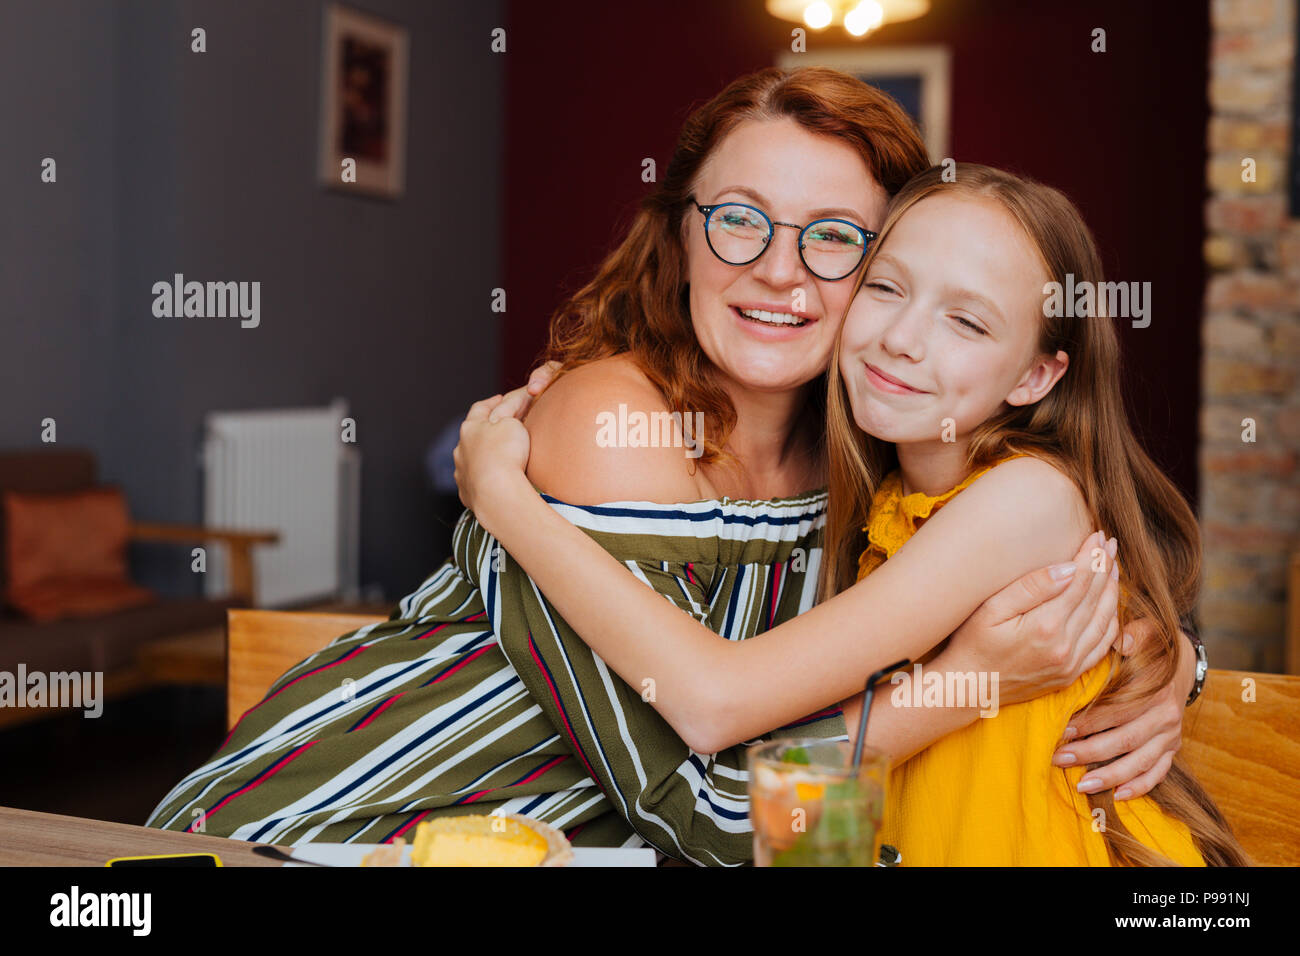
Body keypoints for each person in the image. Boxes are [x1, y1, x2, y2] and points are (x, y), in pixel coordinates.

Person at [146, 68, 1195, 864]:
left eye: (836, 240)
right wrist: (974, 680)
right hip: (335, 830)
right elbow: (709, 807)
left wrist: (1155, 661)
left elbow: (819, 772)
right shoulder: (610, 423)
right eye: (738, 220)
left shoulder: (872, 467)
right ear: (681, 236)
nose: (777, 271)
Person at [454, 162, 1247, 865]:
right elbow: (797, 787)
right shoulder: (882, 503)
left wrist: (505, 504)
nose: (902, 338)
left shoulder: (1026, 497)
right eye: (887, 288)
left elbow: (713, 701)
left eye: (967, 322)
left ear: (1036, 376)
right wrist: (1170, 658)